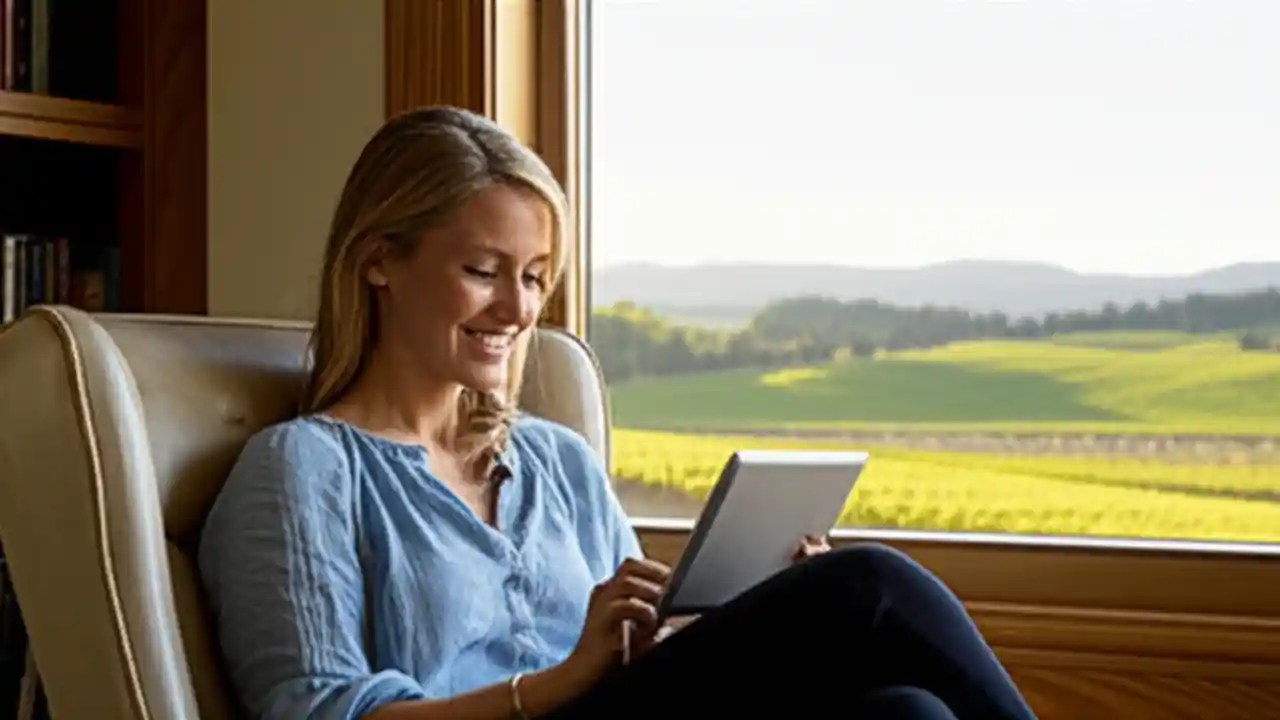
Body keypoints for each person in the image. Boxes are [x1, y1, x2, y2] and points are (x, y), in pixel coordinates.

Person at [196, 106, 1038, 720]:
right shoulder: (304, 467)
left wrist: (752, 608)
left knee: (902, 713)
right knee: (871, 589)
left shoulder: (556, 463)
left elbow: (648, 662)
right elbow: (315, 713)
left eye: (533, 279)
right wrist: (561, 681)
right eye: (484, 271)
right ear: (380, 262)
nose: (517, 309)